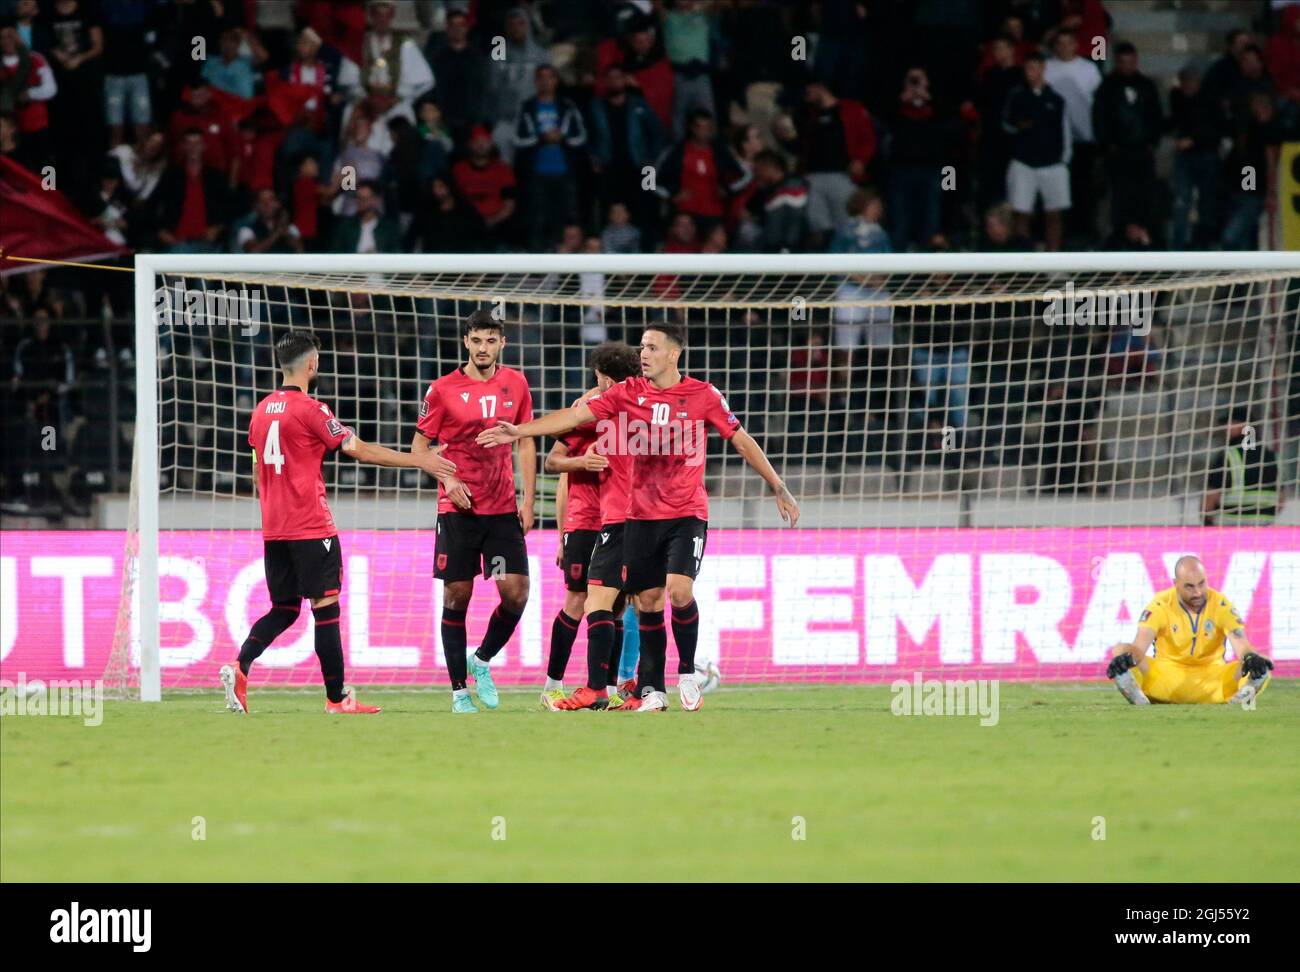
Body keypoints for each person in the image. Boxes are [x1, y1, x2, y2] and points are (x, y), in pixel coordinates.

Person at [477, 324, 799, 712]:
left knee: (678, 591)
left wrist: (778, 485)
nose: (643, 353)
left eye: (651, 347)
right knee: (646, 601)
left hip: (686, 513)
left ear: (673, 354)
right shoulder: (628, 393)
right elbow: (573, 416)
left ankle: (684, 673)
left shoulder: (703, 395)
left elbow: (742, 440)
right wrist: (520, 430)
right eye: (641, 347)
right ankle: (651, 691)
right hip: (639, 516)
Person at [222, 330, 454, 716]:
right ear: (312, 365)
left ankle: (240, 665)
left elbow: (256, 473)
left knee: (284, 608)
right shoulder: (313, 410)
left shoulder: (260, 411)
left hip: (274, 528)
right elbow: (358, 449)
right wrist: (421, 460)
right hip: (311, 526)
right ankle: (337, 699)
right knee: (325, 610)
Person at [411, 311, 536, 713]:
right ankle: (458, 691)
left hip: (500, 512)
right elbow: (419, 449)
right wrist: (447, 481)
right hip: (458, 510)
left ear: (503, 343)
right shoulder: (443, 390)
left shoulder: (515, 383)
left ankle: (480, 660)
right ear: (466, 342)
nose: (483, 348)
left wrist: (528, 500)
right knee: (458, 594)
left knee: (514, 593)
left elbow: (526, 441)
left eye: (491, 340)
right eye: (477, 340)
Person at [540, 342, 642, 709]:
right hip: (584, 519)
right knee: (578, 600)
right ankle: (552, 686)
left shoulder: (635, 410)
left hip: (624, 518)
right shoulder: (584, 413)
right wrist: (584, 461)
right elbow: (552, 463)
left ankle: (609, 689)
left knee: (616, 605)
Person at [1106, 556, 1273, 706]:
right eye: (1190, 587)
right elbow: (1139, 647)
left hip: (1213, 682)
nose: (1198, 592)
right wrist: (1125, 657)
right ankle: (1136, 696)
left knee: (1261, 662)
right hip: (1166, 678)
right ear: (1176, 583)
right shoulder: (1160, 605)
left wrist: (1249, 657)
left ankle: (1240, 699)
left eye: (1202, 584)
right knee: (1120, 651)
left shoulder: (1221, 604)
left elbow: (1241, 643)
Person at [1002, 50, 1071, 251]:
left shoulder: (1057, 100)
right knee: (1021, 212)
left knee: (1054, 214)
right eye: (1028, 68)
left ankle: (1054, 265)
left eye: (1035, 68)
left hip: (1053, 164)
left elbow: (1065, 131)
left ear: (1043, 69)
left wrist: (1064, 160)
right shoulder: (1017, 96)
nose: (1031, 72)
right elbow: (1007, 126)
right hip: (1023, 163)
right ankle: (1022, 261)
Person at [1202, 409, 1281, 525]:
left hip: (1231, 530)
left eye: (1231, 423)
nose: (1226, 428)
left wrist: (1206, 520)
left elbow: (1210, 499)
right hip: (1264, 528)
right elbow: (1281, 497)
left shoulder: (1227, 456)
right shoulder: (1269, 455)